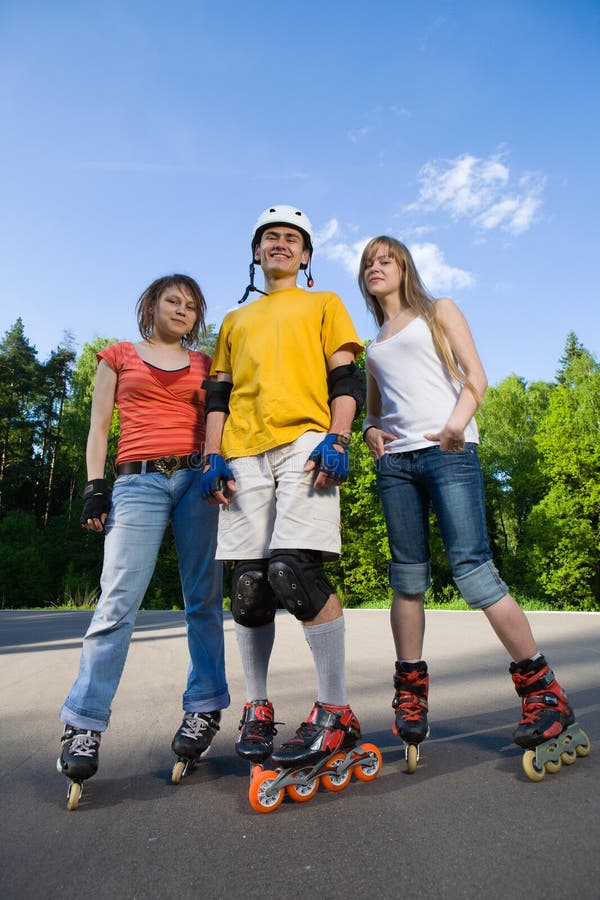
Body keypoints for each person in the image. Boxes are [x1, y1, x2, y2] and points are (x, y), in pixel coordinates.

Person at [359, 236, 576, 757]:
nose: (375, 267)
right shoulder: (373, 345)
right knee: (406, 576)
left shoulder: (438, 311)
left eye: (385, 259)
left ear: (405, 266)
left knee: (474, 571)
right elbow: (372, 412)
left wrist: (456, 425)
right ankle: (410, 697)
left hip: (448, 451)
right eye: (368, 263)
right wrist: (371, 434)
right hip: (398, 465)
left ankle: (544, 694)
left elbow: (476, 376)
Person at [200, 204, 366, 769]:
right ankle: (257, 705)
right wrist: (210, 454)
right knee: (248, 583)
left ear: (305, 255)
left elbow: (346, 377)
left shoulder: (325, 304)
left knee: (293, 569)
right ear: (255, 252)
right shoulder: (234, 320)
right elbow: (218, 396)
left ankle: (336, 709)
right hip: (243, 452)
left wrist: (338, 439)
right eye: (269, 237)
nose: (279, 244)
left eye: (291, 238)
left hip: (305, 444)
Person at [58, 275, 229, 793]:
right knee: (117, 601)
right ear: (151, 304)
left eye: (192, 305)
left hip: (198, 481)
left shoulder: (206, 365)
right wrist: (94, 488)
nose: (182, 309)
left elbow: (222, 419)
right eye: (172, 300)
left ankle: (203, 709)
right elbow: (98, 427)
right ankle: (83, 723)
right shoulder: (118, 356)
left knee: (203, 599)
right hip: (139, 481)